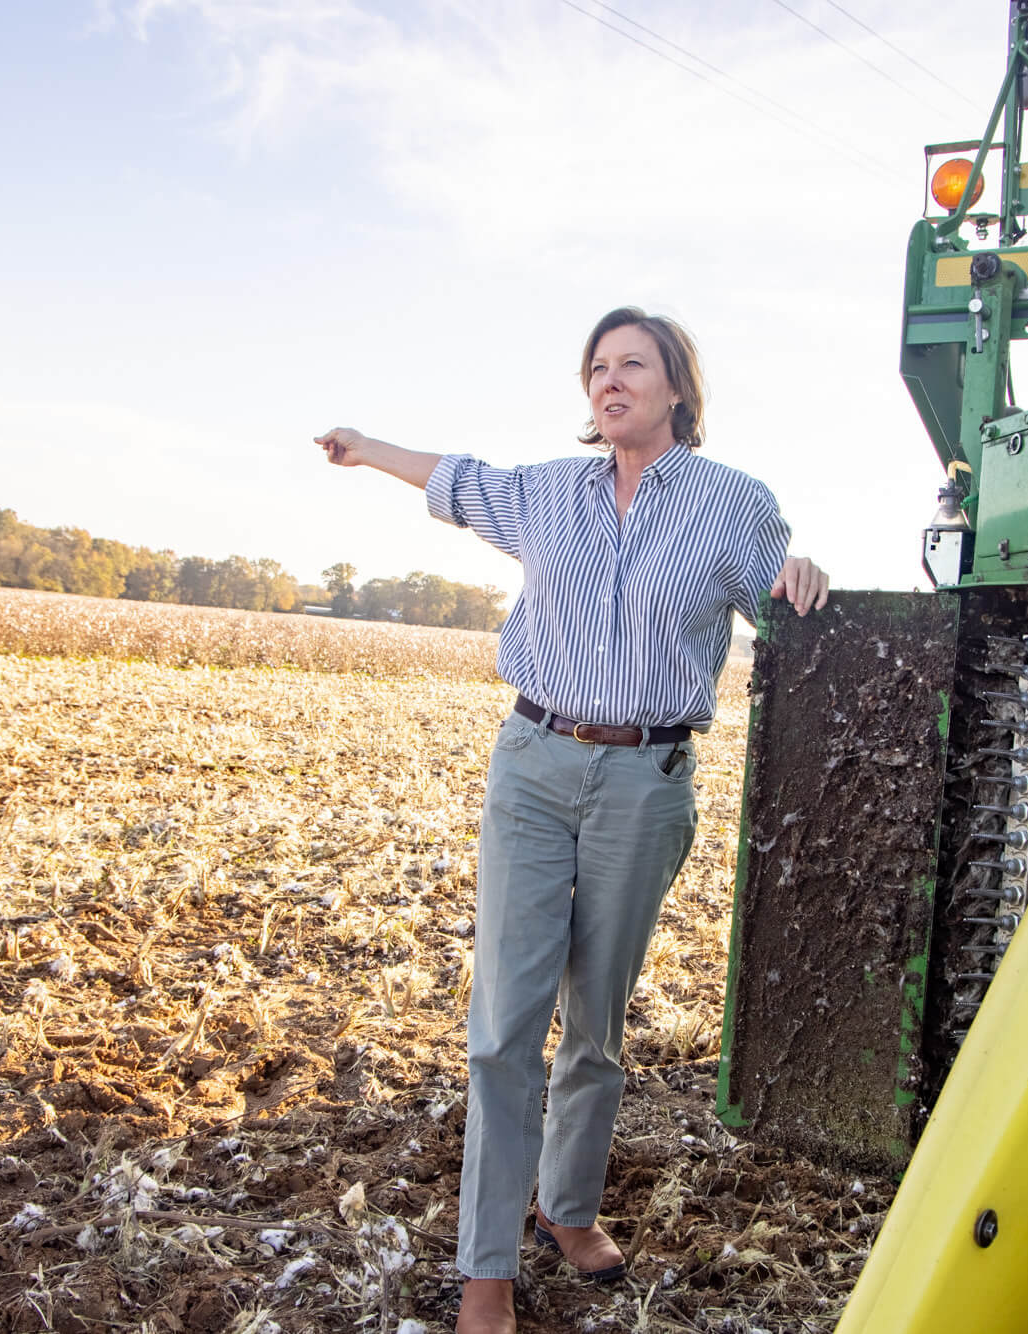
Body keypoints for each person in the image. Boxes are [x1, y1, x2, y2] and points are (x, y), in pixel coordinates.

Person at [316, 306, 828, 1334]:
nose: (608, 380)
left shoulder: (733, 503)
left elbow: (775, 595)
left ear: (675, 386)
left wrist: (800, 574)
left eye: (630, 364)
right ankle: (485, 1267)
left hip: (645, 778)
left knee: (594, 1021)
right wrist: (369, 450)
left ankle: (568, 1206)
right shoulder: (548, 492)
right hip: (534, 766)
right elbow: (455, 478)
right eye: (596, 367)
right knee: (504, 1025)